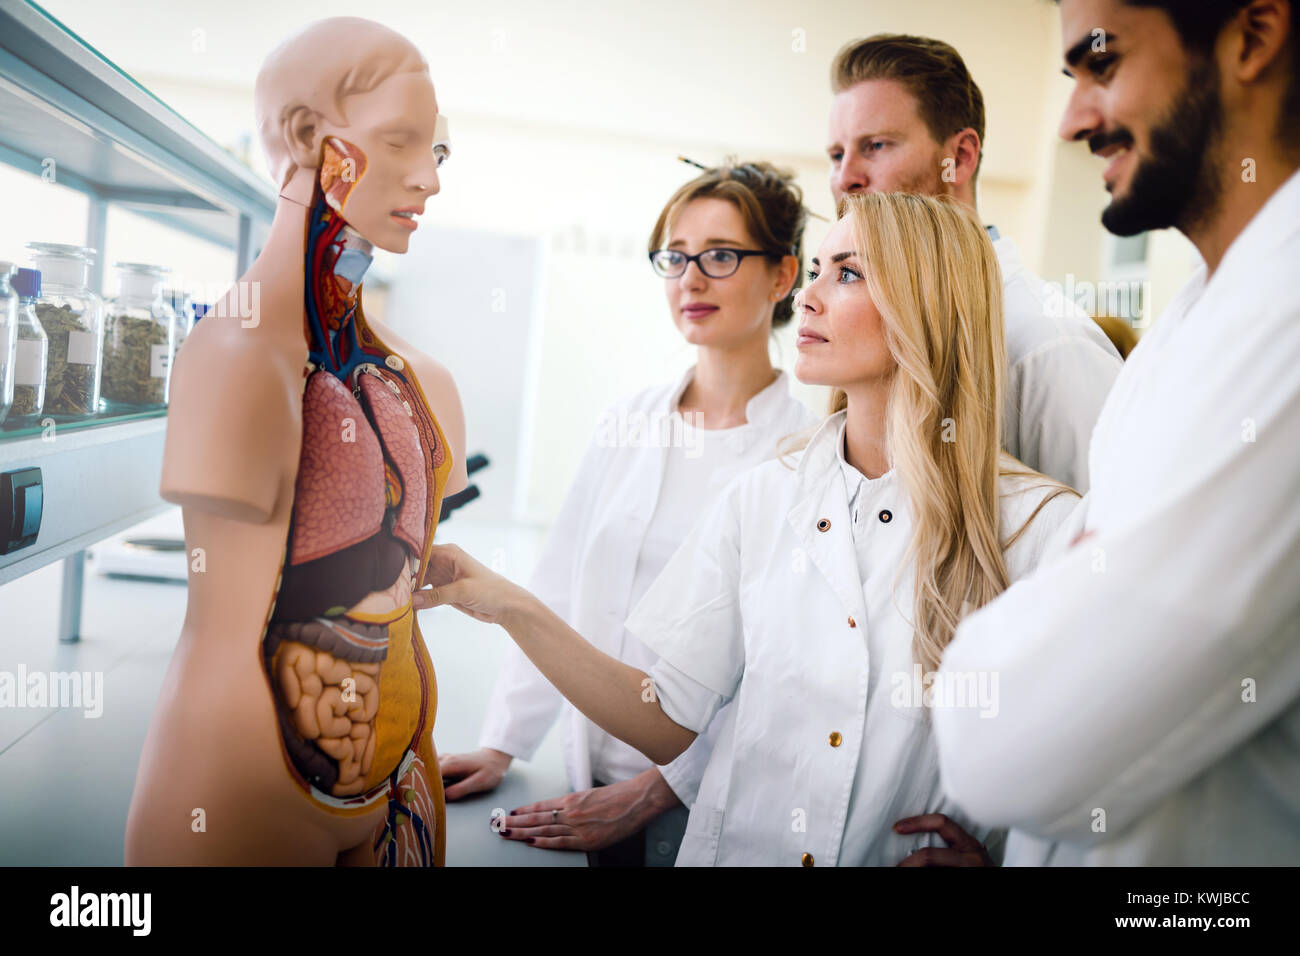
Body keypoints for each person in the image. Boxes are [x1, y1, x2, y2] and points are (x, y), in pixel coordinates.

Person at [420, 192, 1080, 866]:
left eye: (847, 274)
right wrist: (507, 605)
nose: (813, 299)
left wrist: (1004, 859)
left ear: (930, 306)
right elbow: (668, 717)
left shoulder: (1040, 529)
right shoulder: (764, 495)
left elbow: (1080, 763)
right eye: (819, 270)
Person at [933, 0, 1300, 865]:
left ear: (1251, 37)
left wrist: (1065, 593)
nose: (1072, 120)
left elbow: (1006, 746)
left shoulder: (1285, 311)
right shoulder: (1194, 316)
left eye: (1103, 65)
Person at [438, 161, 819, 866]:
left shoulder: (806, 457)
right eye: (675, 257)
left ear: (783, 274)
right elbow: (557, 589)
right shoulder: (629, 422)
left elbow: (778, 676)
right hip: (584, 778)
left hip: (708, 808)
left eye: (721, 255)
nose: (691, 279)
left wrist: (660, 788)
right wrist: (503, 742)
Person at [827, 34, 1122, 492]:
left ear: (960, 158)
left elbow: (1101, 538)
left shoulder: (1049, 347)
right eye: (836, 154)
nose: (846, 178)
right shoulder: (865, 331)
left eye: (876, 146)